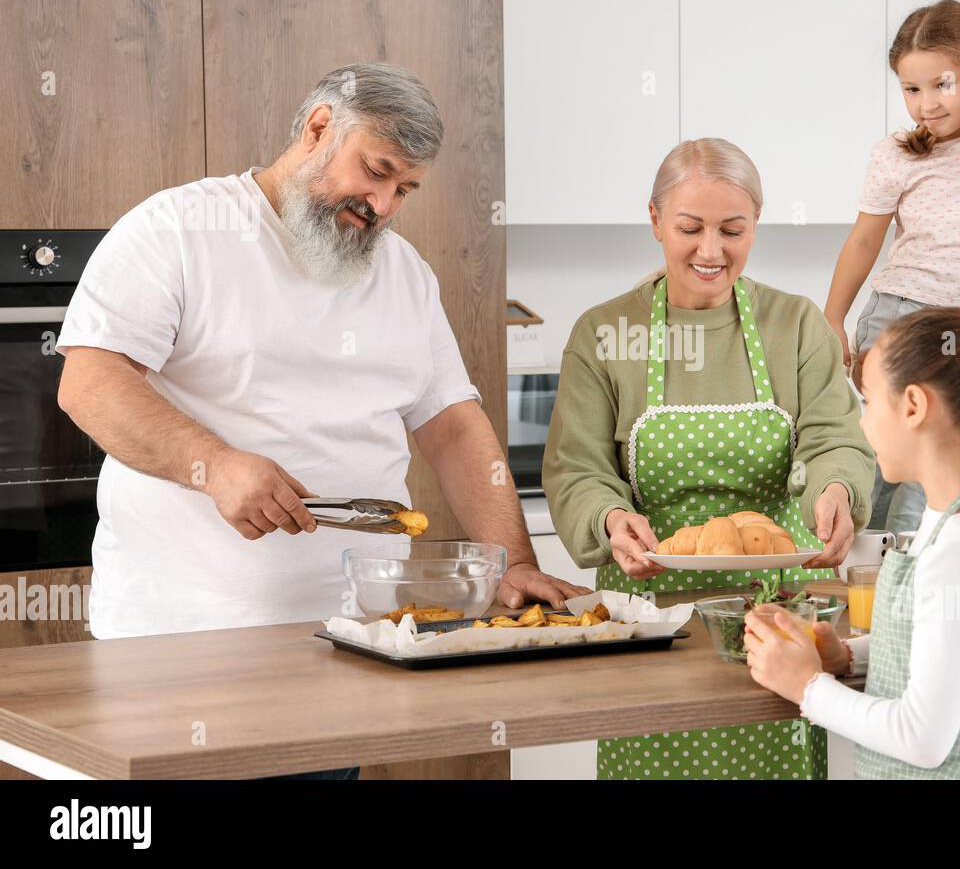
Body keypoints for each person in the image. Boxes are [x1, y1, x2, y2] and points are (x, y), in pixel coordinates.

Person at [57, 62, 587, 643]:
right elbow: (90, 383)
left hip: (364, 634)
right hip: (182, 631)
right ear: (317, 129)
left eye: (404, 190)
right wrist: (214, 467)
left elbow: (453, 427)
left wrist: (514, 562)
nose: (383, 205)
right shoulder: (177, 228)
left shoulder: (405, 273)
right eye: (376, 171)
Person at [543, 137, 874, 779]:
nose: (712, 251)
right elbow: (576, 467)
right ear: (655, 220)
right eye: (690, 228)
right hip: (647, 622)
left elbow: (835, 437)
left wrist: (836, 489)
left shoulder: (796, 325)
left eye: (734, 229)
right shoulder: (605, 333)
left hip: (770, 622)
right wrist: (611, 520)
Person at [746, 308, 960, 779]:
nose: (862, 424)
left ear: (913, 406)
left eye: (870, 403)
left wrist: (807, 687)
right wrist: (850, 655)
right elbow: (952, 643)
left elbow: (922, 738)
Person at [824, 0, 960, 534]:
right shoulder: (897, 154)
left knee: (931, 460)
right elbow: (865, 241)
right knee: (891, 455)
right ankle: (875, 570)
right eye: (912, 90)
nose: (926, 104)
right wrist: (834, 317)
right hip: (897, 317)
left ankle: (908, 572)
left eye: (942, 84)